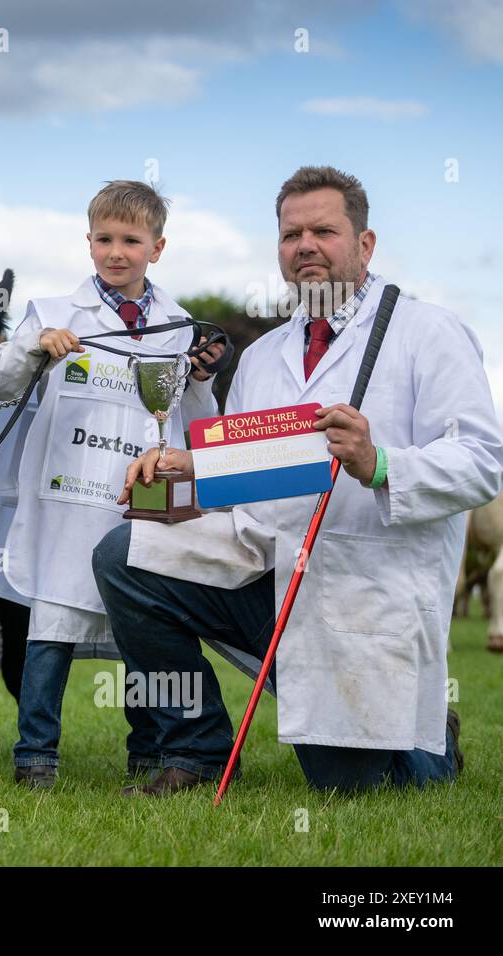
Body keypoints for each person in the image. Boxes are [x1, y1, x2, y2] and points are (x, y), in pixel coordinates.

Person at [93, 165, 503, 795]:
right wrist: (189, 478)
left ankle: (430, 744)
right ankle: (193, 749)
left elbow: (482, 460)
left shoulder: (429, 333)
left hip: (364, 590)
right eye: (291, 234)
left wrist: (380, 463)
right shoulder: (261, 358)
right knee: (127, 555)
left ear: (364, 245)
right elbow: (246, 479)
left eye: (324, 231)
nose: (305, 246)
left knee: (347, 785)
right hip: (264, 572)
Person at [0, 181, 222, 790]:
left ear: (157, 247)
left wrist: (204, 377)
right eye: (105, 239)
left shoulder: (179, 324)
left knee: (141, 633)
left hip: (139, 502)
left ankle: (150, 754)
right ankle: (34, 758)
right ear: (88, 241)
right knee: (50, 629)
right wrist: (33, 348)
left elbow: (192, 415)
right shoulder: (54, 313)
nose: (116, 252)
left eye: (131, 240)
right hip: (64, 501)